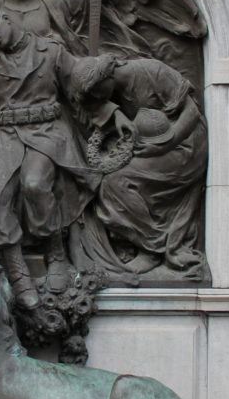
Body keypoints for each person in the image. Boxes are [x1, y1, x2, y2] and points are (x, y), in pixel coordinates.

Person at [0, 9, 133, 310]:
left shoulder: (51, 51)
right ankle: (19, 278)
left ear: (7, 19)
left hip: (48, 132)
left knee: (35, 183)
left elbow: (79, 89)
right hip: (7, 134)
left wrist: (112, 112)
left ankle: (55, 253)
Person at [71, 55, 209, 280]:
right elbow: (91, 107)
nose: (97, 97)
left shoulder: (151, 71)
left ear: (106, 76)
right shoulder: (114, 90)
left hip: (185, 145)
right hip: (151, 144)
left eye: (96, 90)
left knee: (117, 182)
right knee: (108, 184)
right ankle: (150, 242)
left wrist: (166, 142)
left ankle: (153, 249)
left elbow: (192, 112)